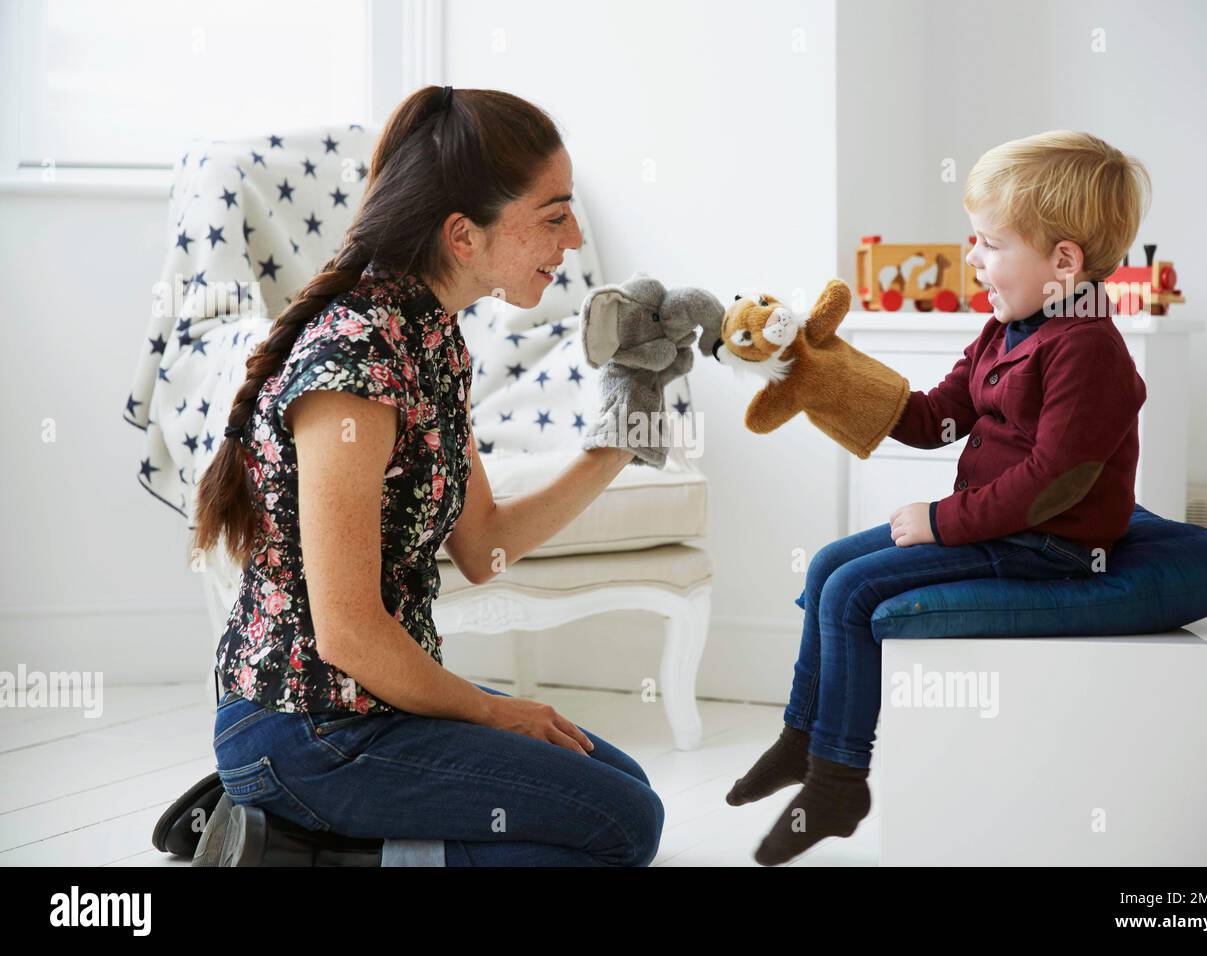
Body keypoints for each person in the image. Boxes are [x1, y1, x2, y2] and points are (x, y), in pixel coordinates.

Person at [186, 85, 664, 866]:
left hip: (376, 703)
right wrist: (488, 712)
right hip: (306, 726)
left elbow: (486, 544)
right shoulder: (355, 364)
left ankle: (309, 833)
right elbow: (345, 631)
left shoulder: (430, 337)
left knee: (626, 790)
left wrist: (620, 441)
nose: (574, 237)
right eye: (553, 214)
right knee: (619, 826)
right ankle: (298, 851)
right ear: (463, 235)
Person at [727, 130, 1151, 866]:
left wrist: (941, 522)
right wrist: (826, 376)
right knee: (830, 563)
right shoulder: (1006, 327)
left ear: (1064, 261)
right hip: (1001, 527)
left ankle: (838, 777)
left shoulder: (1087, 348)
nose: (973, 259)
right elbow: (934, 420)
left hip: (1049, 544)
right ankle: (802, 738)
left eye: (989, 244)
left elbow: (1057, 478)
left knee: (856, 590)